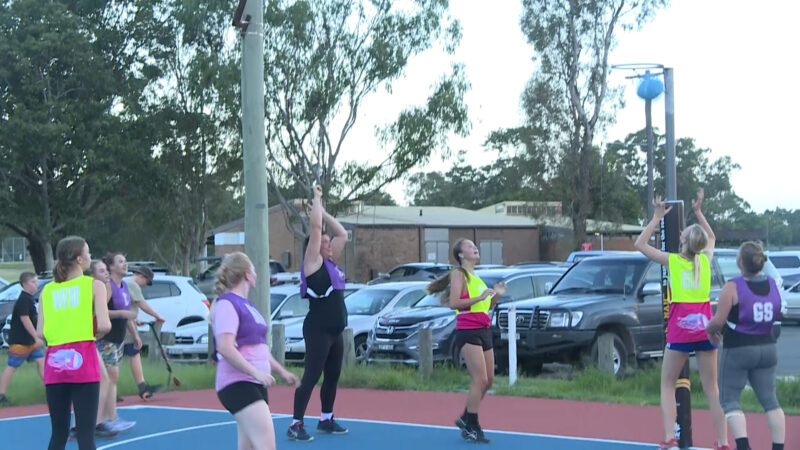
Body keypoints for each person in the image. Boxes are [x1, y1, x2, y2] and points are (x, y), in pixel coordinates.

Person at [633, 189, 729, 450]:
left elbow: (640, 245)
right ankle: (723, 442)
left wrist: (655, 217)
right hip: (705, 329)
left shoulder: (673, 262)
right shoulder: (705, 262)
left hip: (680, 331)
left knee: (667, 384)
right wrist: (699, 211)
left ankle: (669, 438)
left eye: (683, 235)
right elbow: (711, 236)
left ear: (684, 242)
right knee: (713, 390)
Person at [212, 252, 299, 450]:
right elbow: (225, 347)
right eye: (253, 269)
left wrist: (281, 371)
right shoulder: (226, 303)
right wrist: (255, 372)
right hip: (238, 384)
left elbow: (259, 348)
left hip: (253, 383)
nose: (257, 273)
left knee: (249, 447)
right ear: (247, 275)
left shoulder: (248, 305)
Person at [706, 242, 785, 450]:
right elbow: (777, 313)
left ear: (740, 262)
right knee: (771, 401)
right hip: (768, 346)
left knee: (730, 400)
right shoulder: (773, 284)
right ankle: (778, 447)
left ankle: (744, 446)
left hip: (739, 347)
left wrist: (709, 329)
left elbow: (718, 321)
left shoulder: (733, 286)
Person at [426, 238, 506, 444]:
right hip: (468, 330)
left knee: (488, 381)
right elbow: (455, 303)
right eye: (470, 246)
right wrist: (479, 298)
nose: (475, 248)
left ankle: (465, 417)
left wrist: (495, 296)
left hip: (484, 328)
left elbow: (484, 307)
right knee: (478, 380)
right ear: (461, 255)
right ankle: (472, 426)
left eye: (474, 245)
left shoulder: (476, 277)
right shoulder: (459, 274)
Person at [288, 185, 350, 442]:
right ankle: (295, 423)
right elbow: (315, 231)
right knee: (312, 375)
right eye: (324, 243)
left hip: (335, 330)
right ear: (313, 248)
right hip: (318, 328)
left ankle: (326, 418)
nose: (329, 243)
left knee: (333, 375)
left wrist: (323, 213)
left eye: (328, 242)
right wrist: (316, 199)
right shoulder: (312, 263)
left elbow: (343, 233)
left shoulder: (332, 263)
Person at [38, 236, 112, 450]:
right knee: (86, 436)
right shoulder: (93, 285)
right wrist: (88, 334)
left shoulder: (47, 291)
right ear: (79, 259)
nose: (90, 256)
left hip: (54, 363)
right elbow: (105, 325)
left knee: (58, 434)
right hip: (83, 361)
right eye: (88, 252)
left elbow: (40, 332)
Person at [94, 252, 138, 433]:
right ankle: (108, 418)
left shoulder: (124, 285)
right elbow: (100, 312)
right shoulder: (108, 286)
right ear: (111, 267)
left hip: (118, 339)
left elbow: (127, 313)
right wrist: (121, 314)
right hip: (106, 339)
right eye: (121, 261)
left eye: (126, 261)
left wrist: (134, 334)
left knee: (112, 379)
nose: (125, 264)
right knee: (110, 378)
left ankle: (108, 417)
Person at [121, 266, 165, 400]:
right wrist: (157, 316)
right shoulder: (132, 284)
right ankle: (141, 387)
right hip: (126, 327)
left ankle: (138, 387)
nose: (146, 285)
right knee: (133, 353)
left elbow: (127, 306)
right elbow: (142, 304)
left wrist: (137, 320)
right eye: (147, 282)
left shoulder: (123, 282)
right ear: (141, 276)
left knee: (123, 356)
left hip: (127, 323)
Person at [0, 272, 45, 403]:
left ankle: (50, 388)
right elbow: (25, 319)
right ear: (25, 284)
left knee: (40, 362)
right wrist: (36, 336)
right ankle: (1, 394)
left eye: (36, 282)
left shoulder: (28, 298)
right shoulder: (24, 299)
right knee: (12, 366)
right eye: (33, 282)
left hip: (30, 342)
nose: (36, 285)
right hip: (21, 342)